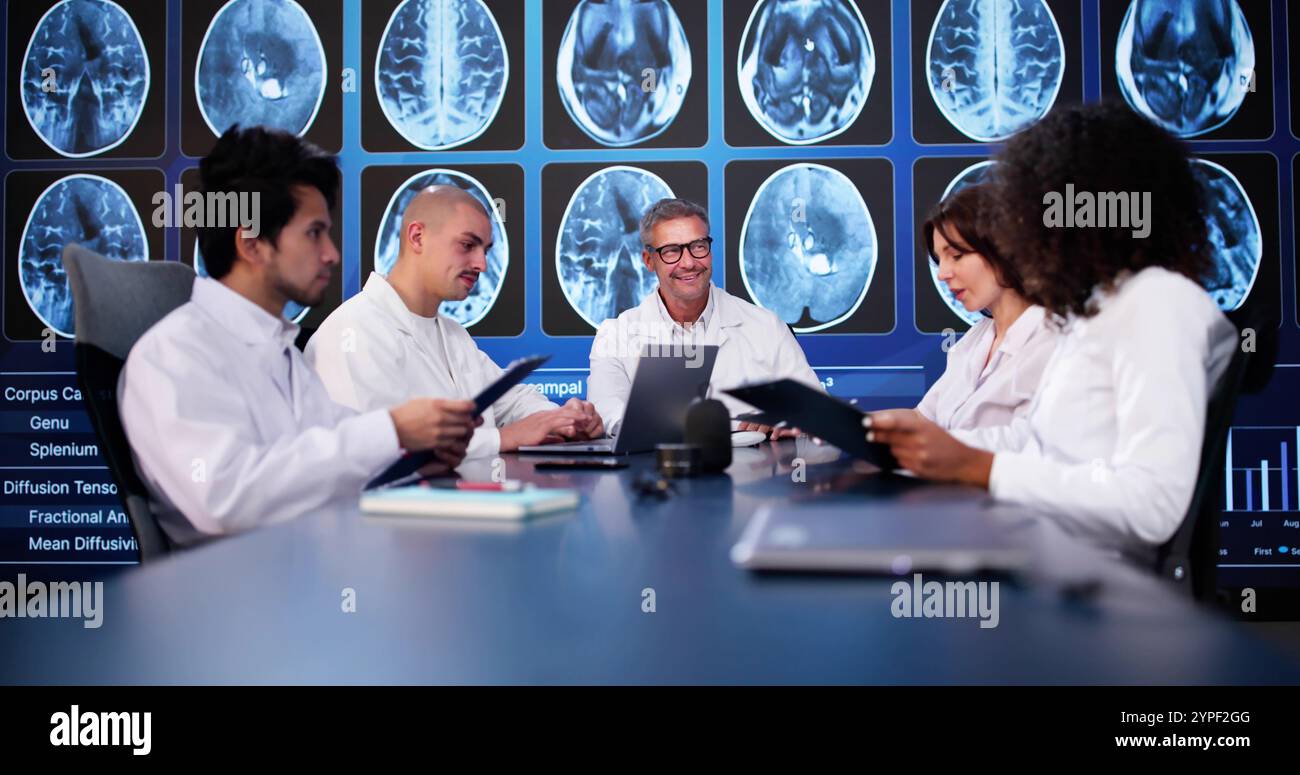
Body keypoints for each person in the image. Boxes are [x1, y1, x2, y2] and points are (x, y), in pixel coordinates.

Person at [866, 102, 1237, 553]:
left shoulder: (1156, 302)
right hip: (1045, 551)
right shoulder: (1099, 310)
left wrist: (982, 469)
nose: (1022, 231)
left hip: (1084, 586)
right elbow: (1039, 438)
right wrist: (924, 448)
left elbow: (1152, 505)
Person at [118, 126, 479, 546]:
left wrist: (416, 459)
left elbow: (331, 459)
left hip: (315, 568)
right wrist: (392, 431)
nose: (332, 253)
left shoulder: (278, 353)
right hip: (246, 598)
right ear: (253, 244)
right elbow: (226, 499)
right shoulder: (171, 354)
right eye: (314, 233)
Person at [308, 185, 604, 455]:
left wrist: (564, 420)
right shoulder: (352, 331)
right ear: (417, 237)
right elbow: (374, 450)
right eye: (467, 245)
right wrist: (504, 438)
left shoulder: (452, 335)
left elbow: (510, 401)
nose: (482, 264)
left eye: (485, 250)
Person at [587, 197, 821, 438]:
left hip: (753, 470)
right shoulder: (614, 336)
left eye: (698, 246)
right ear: (649, 261)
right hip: (654, 470)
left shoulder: (766, 326)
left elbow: (817, 410)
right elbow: (607, 414)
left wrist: (786, 417)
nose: (688, 262)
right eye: (671, 251)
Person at [914, 183, 1059, 431]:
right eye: (939, 260)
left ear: (1004, 249)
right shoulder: (977, 338)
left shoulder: (1055, 343)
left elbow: (1034, 450)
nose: (942, 274)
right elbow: (922, 420)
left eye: (956, 255)